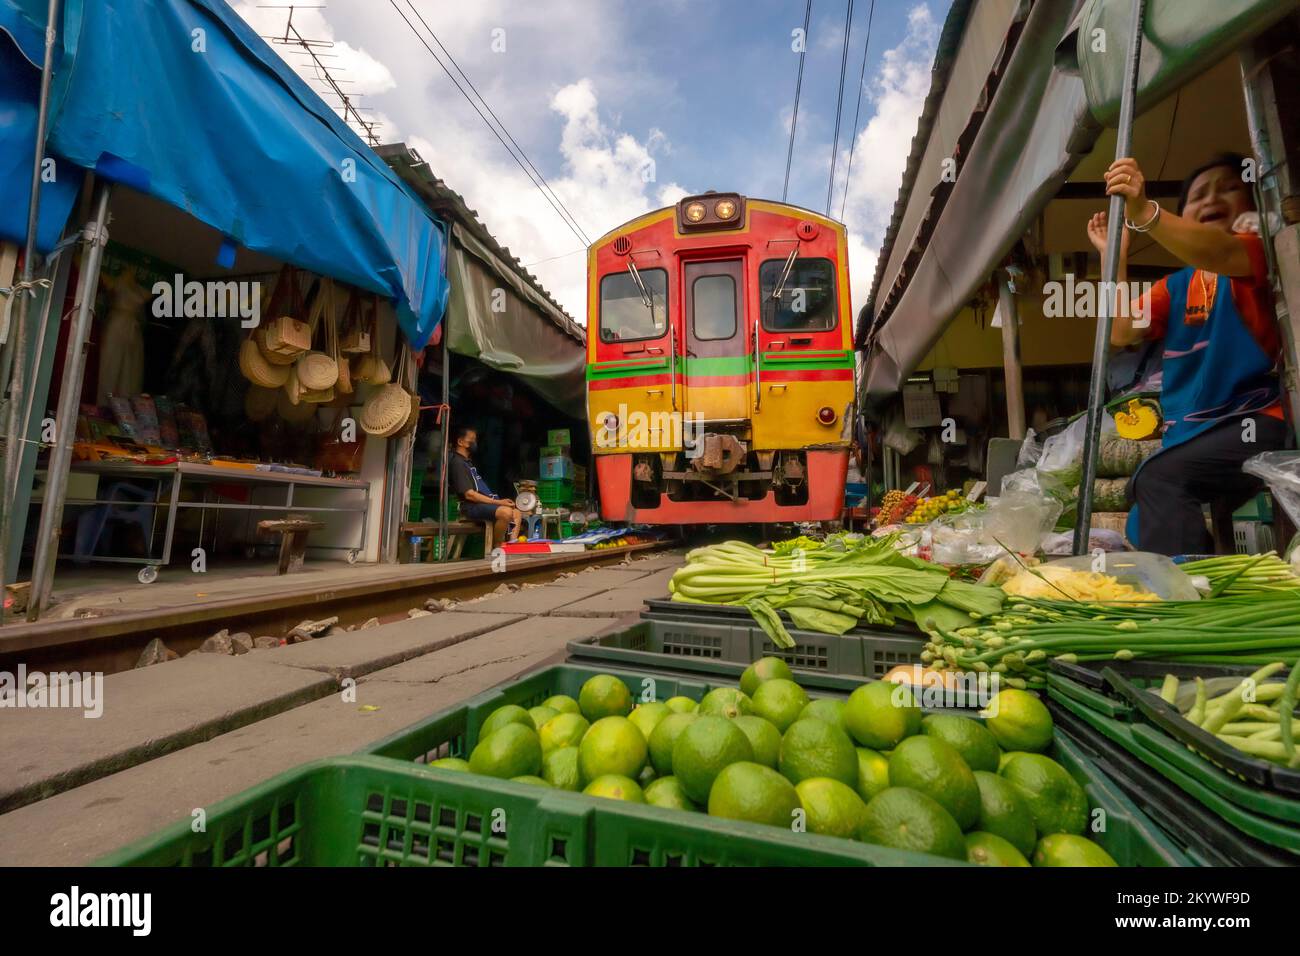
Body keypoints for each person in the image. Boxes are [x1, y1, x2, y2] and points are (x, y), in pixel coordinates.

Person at [1088, 153, 1288, 555]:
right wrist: (1116, 258)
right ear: (1184, 217)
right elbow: (1122, 330)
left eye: (1230, 187)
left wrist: (1144, 211)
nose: (1212, 197)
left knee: (1160, 477)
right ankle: (1197, 578)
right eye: (1198, 195)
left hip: (1254, 422)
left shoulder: (1254, 251)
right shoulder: (1175, 286)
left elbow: (1217, 251)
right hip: (1193, 434)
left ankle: (1182, 592)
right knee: (1149, 494)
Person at [447, 424, 521, 544]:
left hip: (480, 505)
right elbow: (469, 495)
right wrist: (498, 502)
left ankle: (511, 546)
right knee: (506, 513)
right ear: (460, 442)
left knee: (516, 512)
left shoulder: (468, 463)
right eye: (471, 440)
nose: (474, 443)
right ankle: (497, 546)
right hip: (470, 506)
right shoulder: (457, 463)